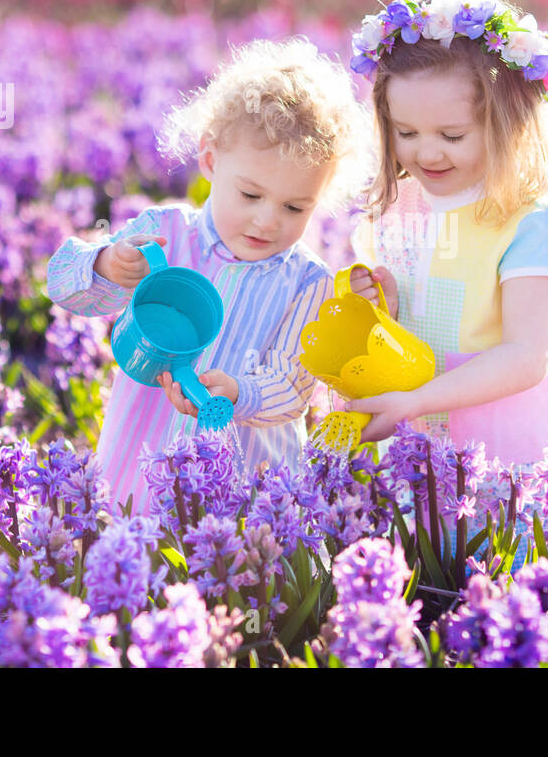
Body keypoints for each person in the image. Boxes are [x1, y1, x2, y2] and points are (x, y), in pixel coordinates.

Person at [47, 37, 373, 517]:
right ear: (210, 159)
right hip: (140, 457)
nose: (267, 221)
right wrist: (106, 265)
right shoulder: (162, 235)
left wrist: (243, 393)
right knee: (131, 546)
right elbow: (65, 287)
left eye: (294, 207)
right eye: (250, 195)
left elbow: (295, 385)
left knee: (234, 574)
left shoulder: (309, 283)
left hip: (246, 487)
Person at [341, 0, 548, 569]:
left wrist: (412, 400)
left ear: (508, 122)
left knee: (509, 577)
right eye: (404, 133)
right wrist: (378, 302)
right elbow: (407, 316)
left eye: (451, 136)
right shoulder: (397, 209)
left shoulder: (527, 221)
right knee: (431, 580)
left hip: (507, 443)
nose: (425, 153)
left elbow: (524, 357)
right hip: (418, 434)